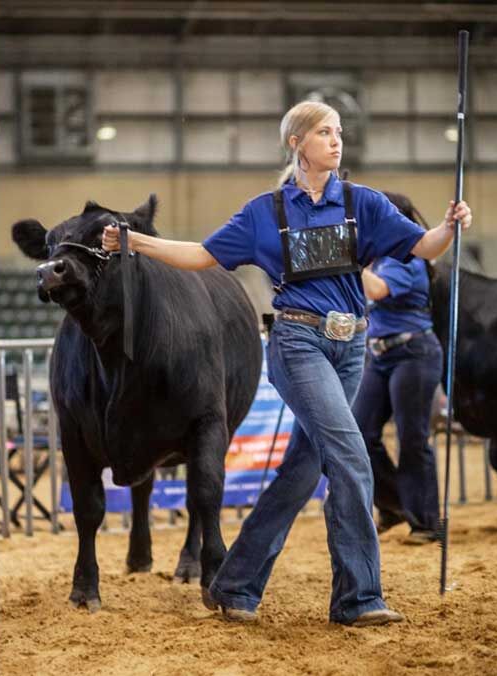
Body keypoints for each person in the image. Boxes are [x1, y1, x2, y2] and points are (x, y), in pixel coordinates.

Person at [100, 100, 471, 626]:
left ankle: (234, 585)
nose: (336, 141)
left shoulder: (362, 204)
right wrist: (136, 242)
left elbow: (424, 246)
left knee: (302, 470)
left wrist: (451, 226)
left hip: (351, 346)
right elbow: (202, 255)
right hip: (298, 342)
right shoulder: (265, 212)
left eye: (339, 131)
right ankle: (358, 598)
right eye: (324, 132)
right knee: (349, 455)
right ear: (296, 142)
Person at [353, 193, 443, 544]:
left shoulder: (408, 256)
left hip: (414, 353)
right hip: (380, 354)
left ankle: (427, 521)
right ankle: (394, 504)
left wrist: (344, 257)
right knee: (360, 432)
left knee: (412, 437)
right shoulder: (376, 257)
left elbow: (377, 291)